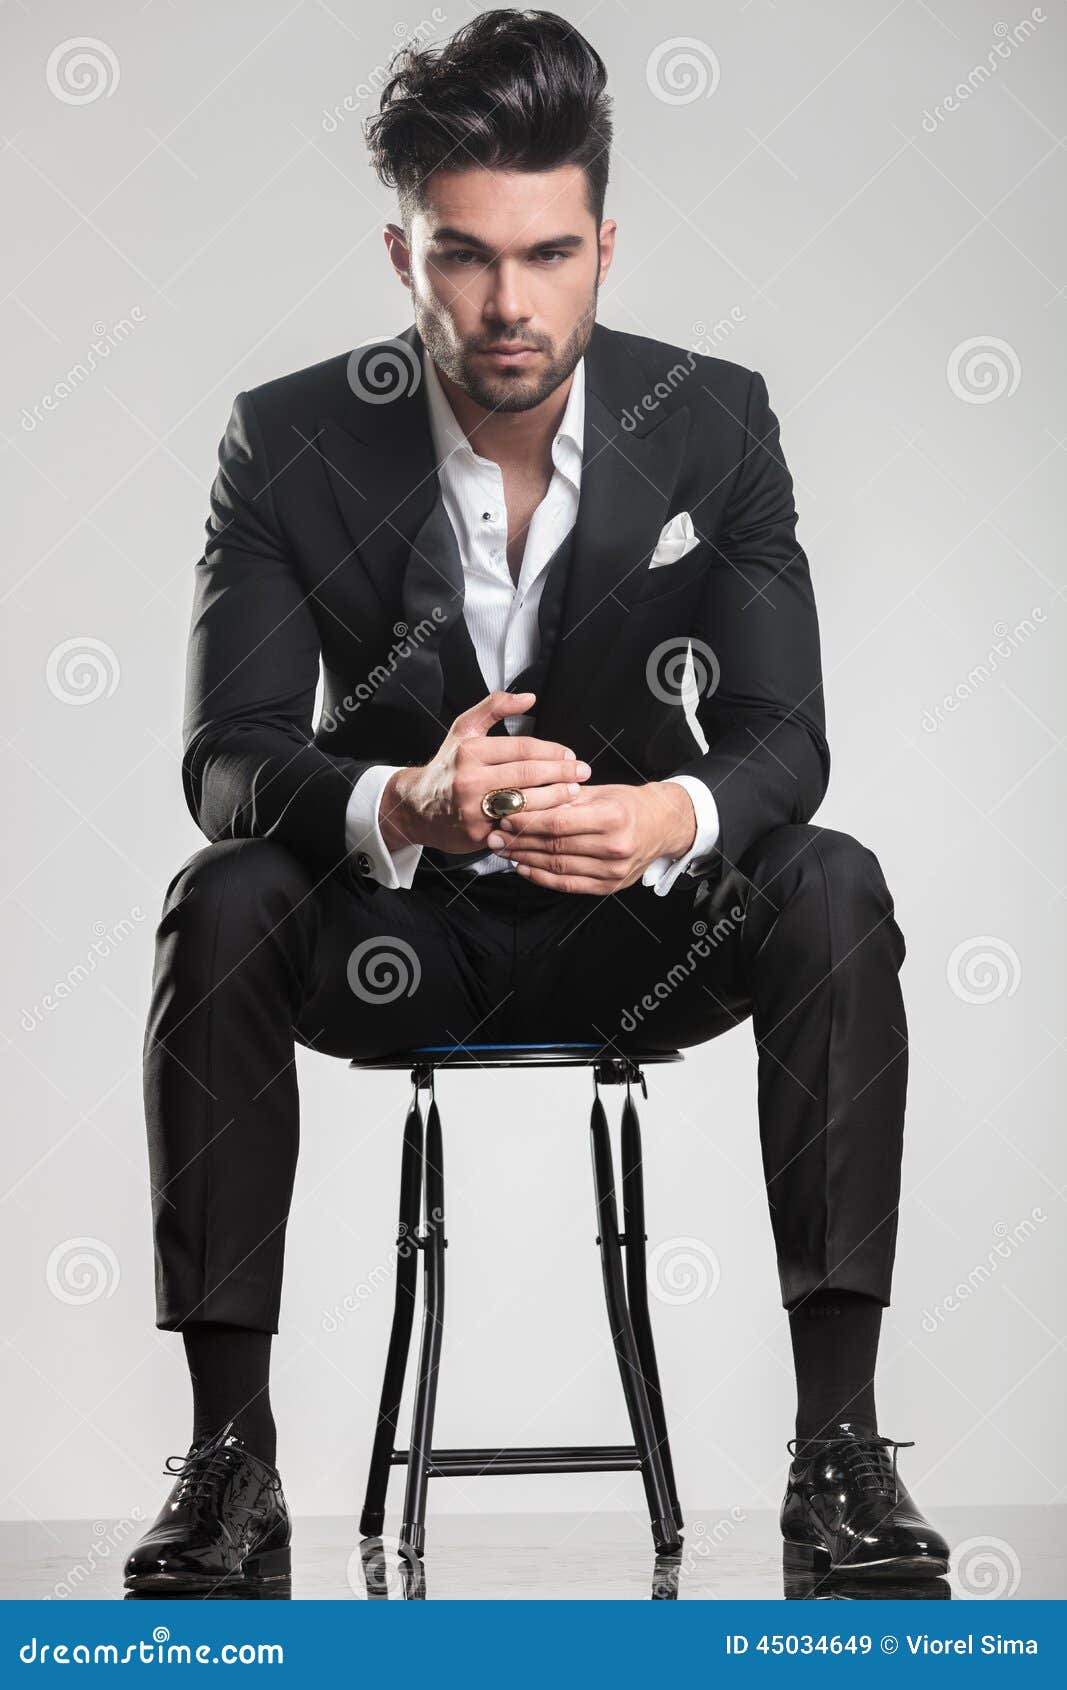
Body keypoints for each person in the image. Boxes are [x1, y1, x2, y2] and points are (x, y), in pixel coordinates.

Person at [125, 9, 949, 1594]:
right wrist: (402, 801)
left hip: (634, 935)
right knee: (216, 895)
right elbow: (224, 759)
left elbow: (789, 739)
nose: (510, 303)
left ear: (605, 245)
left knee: (832, 877)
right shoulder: (290, 440)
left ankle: (838, 1452)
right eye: (464, 257)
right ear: (403, 253)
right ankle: (233, 1458)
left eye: (549, 254)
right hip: (401, 937)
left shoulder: (715, 419)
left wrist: (673, 820)